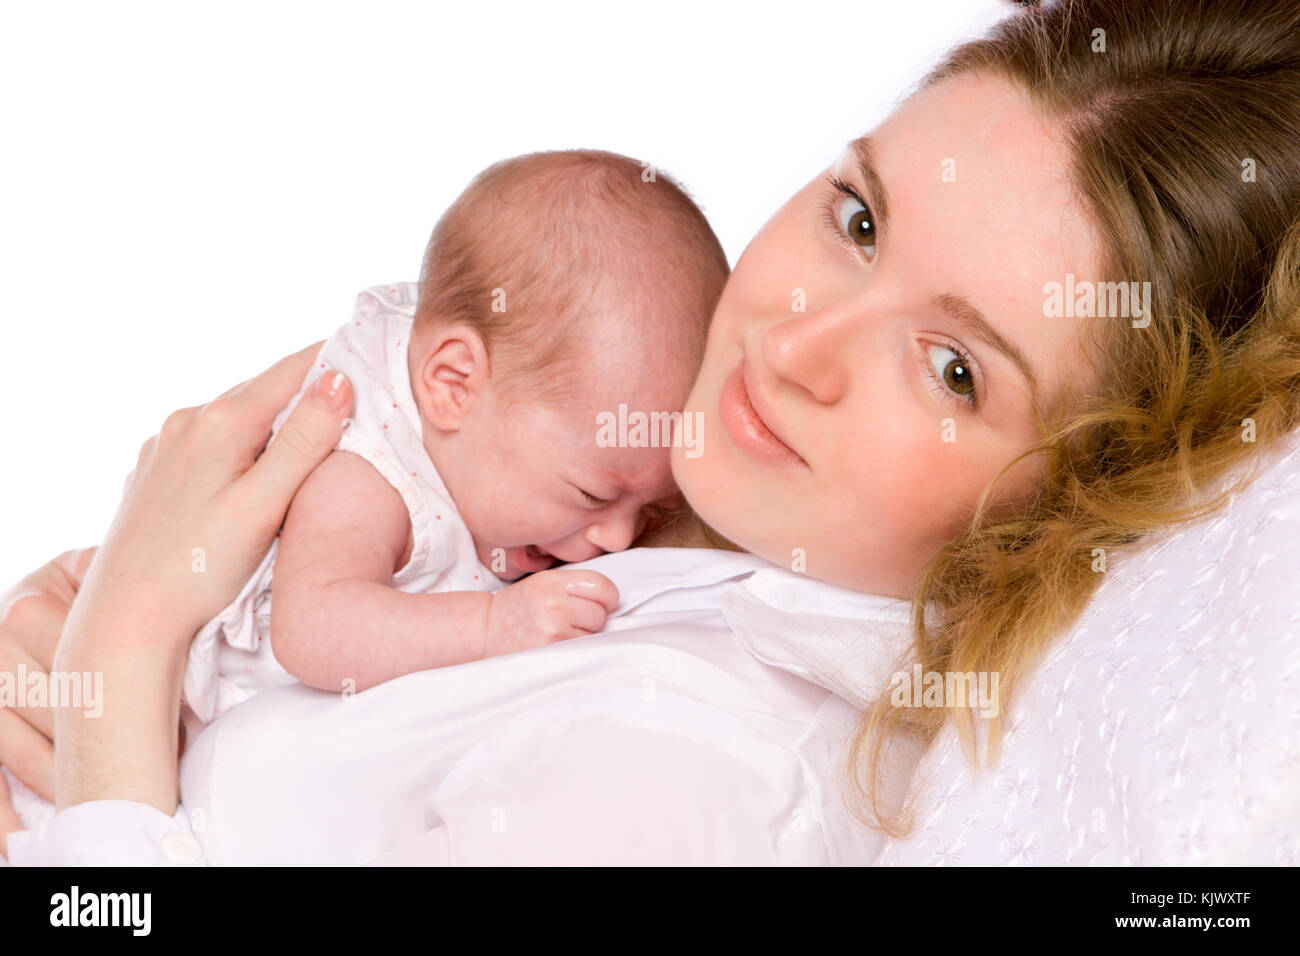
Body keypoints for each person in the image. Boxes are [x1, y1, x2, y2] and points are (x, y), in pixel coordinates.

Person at [3, 0, 1299, 864]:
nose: (791, 345)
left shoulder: (687, 758)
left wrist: (122, 669)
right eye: (858, 221)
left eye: (954, 369)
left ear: (1088, 494)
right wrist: (99, 667)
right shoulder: (649, 542)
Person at [177, 149, 725, 722]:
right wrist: (490, 626)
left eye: (653, 509)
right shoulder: (370, 473)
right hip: (178, 711)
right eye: (593, 495)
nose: (619, 537)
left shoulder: (501, 438)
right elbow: (312, 628)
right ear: (453, 385)